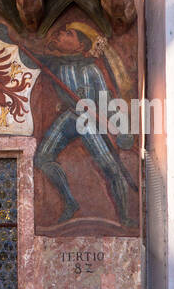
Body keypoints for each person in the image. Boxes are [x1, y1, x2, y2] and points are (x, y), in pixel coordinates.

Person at [33, 26, 134, 227]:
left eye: (67, 33)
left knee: (111, 168)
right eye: (61, 32)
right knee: (42, 158)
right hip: (70, 116)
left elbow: (106, 101)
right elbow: (29, 58)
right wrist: (7, 38)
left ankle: (124, 217)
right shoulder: (55, 64)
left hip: (88, 119)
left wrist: (122, 130)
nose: (60, 33)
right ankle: (70, 202)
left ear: (80, 44)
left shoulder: (91, 69)